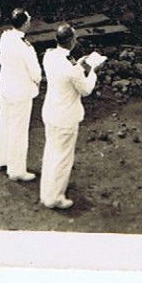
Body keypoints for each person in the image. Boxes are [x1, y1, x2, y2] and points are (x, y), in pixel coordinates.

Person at [39, 24, 102, 209]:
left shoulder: (49, 55)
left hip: (50, 112)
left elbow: (65, 66)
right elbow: (86, 90)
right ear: (73, 41)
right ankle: (55, 198)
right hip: (66, 117)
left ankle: (46, 192)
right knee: (63, 158)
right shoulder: (72, 69)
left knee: (51, 152)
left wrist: (79, 63)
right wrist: (93, 72)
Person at [0, 8, 42, 181]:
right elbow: (35, 72)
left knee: (4, 122)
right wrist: (36, 81)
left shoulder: (5, 37)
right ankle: (16, 170)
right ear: (25, 23)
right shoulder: (26, 47)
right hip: (20, 91)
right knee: (18, 129)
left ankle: (0, 159)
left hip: (6, 87)